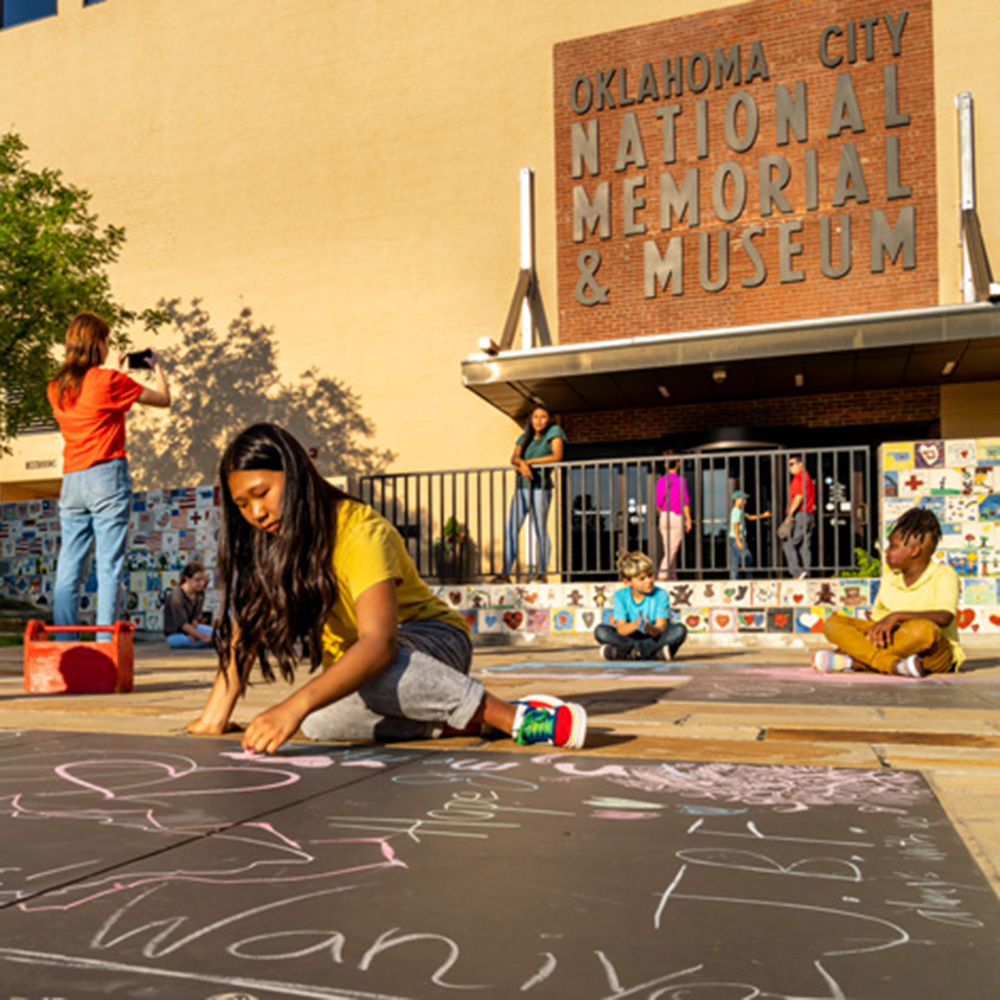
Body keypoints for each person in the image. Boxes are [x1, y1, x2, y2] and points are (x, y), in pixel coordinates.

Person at [187, 423, 586, 752]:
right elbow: (245, 630)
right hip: (373, 666)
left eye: (262, 493)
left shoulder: (358, 530)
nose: (255, 512)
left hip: (430, 645)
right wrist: (214, 718)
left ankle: (516, 716)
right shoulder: (274, 544)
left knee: (346, 685)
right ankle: (462, 723)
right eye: (242, 504)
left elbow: (378, 645)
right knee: (320, 722)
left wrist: (291, 706)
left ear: (296, 476)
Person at [48, 312, 171, 635]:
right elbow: (163, 399)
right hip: (106, 475)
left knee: (69, 566)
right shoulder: (109, 381)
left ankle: (64, 642)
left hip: (72, 480)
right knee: (109, 565)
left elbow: (91, 401)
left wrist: (113, 372)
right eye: (105, 340)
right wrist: (157, 369)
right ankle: (105, 644)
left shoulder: (56, 387)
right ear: (98, 344)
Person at [815, 507, 965, 678]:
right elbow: (878, 624)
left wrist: (896, 617)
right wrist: (858, 640)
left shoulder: (944, 574)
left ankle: (858, 661)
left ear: (914, 550)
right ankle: (894, 665)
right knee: (834, 623)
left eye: (892, 546)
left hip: (933, 654)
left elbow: (945, 617)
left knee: (925, 630)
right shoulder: (889, 578)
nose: (886, 551)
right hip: (897, 645)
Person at [495, 404, 565, 583]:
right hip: (521, 489)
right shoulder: (524, 436)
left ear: (549, 419)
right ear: (530, 419)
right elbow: (514, 458)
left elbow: (557, 456)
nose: (539, 420)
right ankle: (505, 572)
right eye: (535, 417)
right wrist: (522, 464)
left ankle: (542, 572)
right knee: (511, 528)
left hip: (541, 488)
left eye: (543, 417)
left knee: (539, 528)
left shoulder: (554, 432)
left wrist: (530, 462)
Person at [593, 551, 687, 661]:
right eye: (642, 579)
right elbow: (621, 629)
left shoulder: (660, 594)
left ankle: (626, 653)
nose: (649, 581)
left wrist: (649, 628)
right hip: (630, 636)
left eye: (650, 575)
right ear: (628, 582)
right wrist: (636, 625)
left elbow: (661, 628)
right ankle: (652, 653)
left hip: (653, 636)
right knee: (601, 632)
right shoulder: (620, 596)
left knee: (679, 630)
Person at [655, 456, 691, 580]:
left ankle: (672, 577)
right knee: (673, 548)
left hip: (664, 515)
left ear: (665, 465)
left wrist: (663, 514)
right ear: (678, 463)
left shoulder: (660, 481)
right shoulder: (681, 481)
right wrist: (688, 519)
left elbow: (658, 503)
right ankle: (663, 573)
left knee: (669, 549)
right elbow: (685, 501)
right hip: (676, 515)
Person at [163, 561, 213, 648]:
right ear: (187, 579)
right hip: (176, 634)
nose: (201, 583)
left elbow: (195, 618)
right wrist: (202, 636)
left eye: (203, 580)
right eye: (197, 580)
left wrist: (193, 633)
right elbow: (182, 624)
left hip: (192, 629)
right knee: (204, 641)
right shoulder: (176, 596)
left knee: (218, 634)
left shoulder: (199, 593)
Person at [780, 454, 815, 578]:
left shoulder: (799, 478)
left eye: (792, 464)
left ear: (801, 464)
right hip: (809, 515)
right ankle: (806, 572)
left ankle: (797, 572)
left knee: (788, 543)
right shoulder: (808, 478)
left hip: (801, 515)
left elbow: (799, 496)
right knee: (804, 546)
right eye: (789, 465)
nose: (790, 467)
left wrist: (790, 514)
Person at [728, 491, 770, 579]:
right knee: (747, 557)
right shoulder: (736, 511)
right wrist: (738, 540)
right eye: (743, 499)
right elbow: (735, 526)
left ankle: (734, 580)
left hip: (733, 538)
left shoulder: (739, 511)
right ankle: (749, 578)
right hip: (738, 537)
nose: (745, 501)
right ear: (737, 499)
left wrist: (763, 515)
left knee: (735, 561)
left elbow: (750, 517)